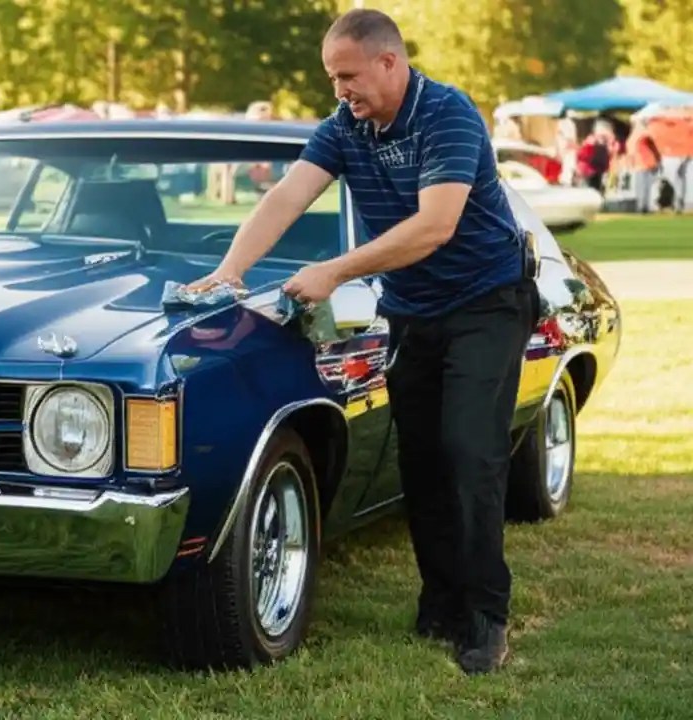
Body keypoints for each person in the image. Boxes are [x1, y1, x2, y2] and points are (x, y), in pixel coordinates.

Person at [186, 8, 537, 675]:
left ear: (390, 62)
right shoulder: (345, 128)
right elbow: (286, 198)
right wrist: (228, 271)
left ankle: (485, 618)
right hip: (412, 310)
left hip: (487, 303)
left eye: (348, 75)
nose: (340, 91)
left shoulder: (449, 116)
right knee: (423, 459)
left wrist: (335, 270)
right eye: (331, 78)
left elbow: (434, 226)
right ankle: (439, 602)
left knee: (471, 451)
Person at [626, 118, 663, 212]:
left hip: (643, 164)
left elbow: (631, 150)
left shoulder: (639, 135)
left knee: (642, 186)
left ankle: (642, 206)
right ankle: (643, 206)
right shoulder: (644, 134)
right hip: (646, 163)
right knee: (645, 187)